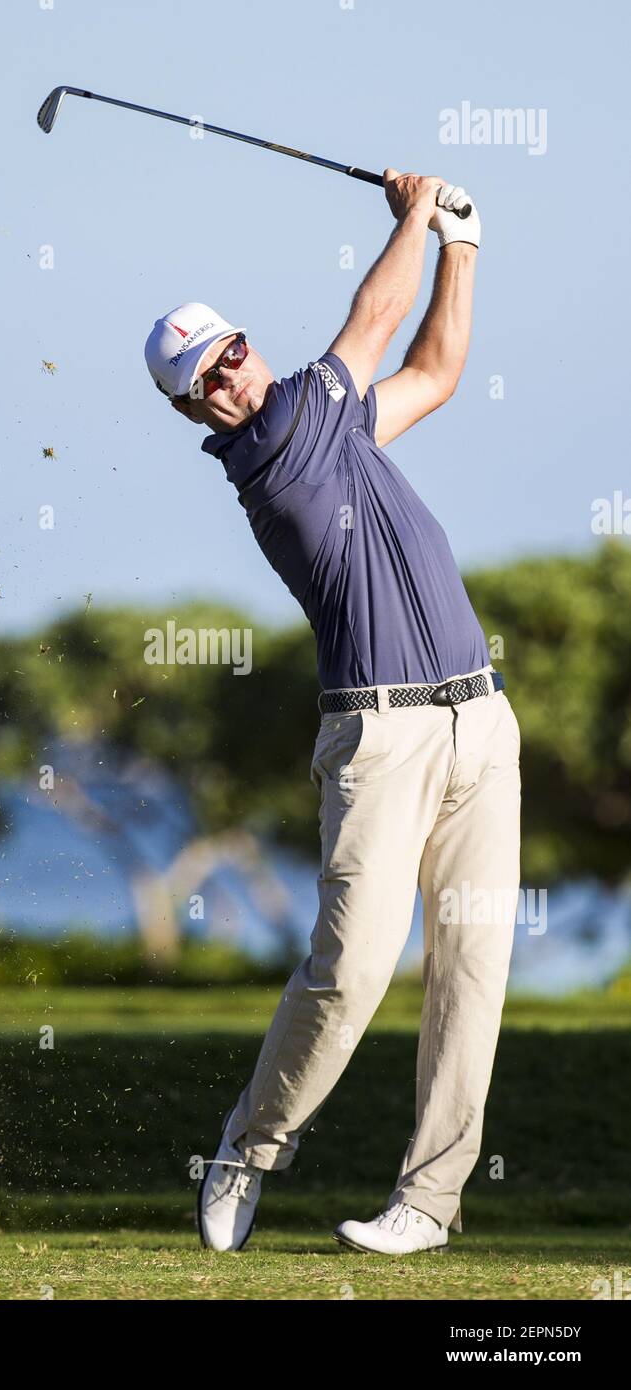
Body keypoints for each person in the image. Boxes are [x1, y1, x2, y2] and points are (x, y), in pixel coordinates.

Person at [143, 171, 521, 1255]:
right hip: (380, 735)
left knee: (472, 969)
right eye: (202, 377)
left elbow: (434, 369)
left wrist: (463, 244)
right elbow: (372, 320)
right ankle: (249, 1148)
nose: (227, 375)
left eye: (231, 350)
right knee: (349, 969)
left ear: (246, 347)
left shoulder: (334, 425)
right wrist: (411, 211)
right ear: (190, 409)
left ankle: (427, 1204)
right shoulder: (273, 452)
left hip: (475, 723)